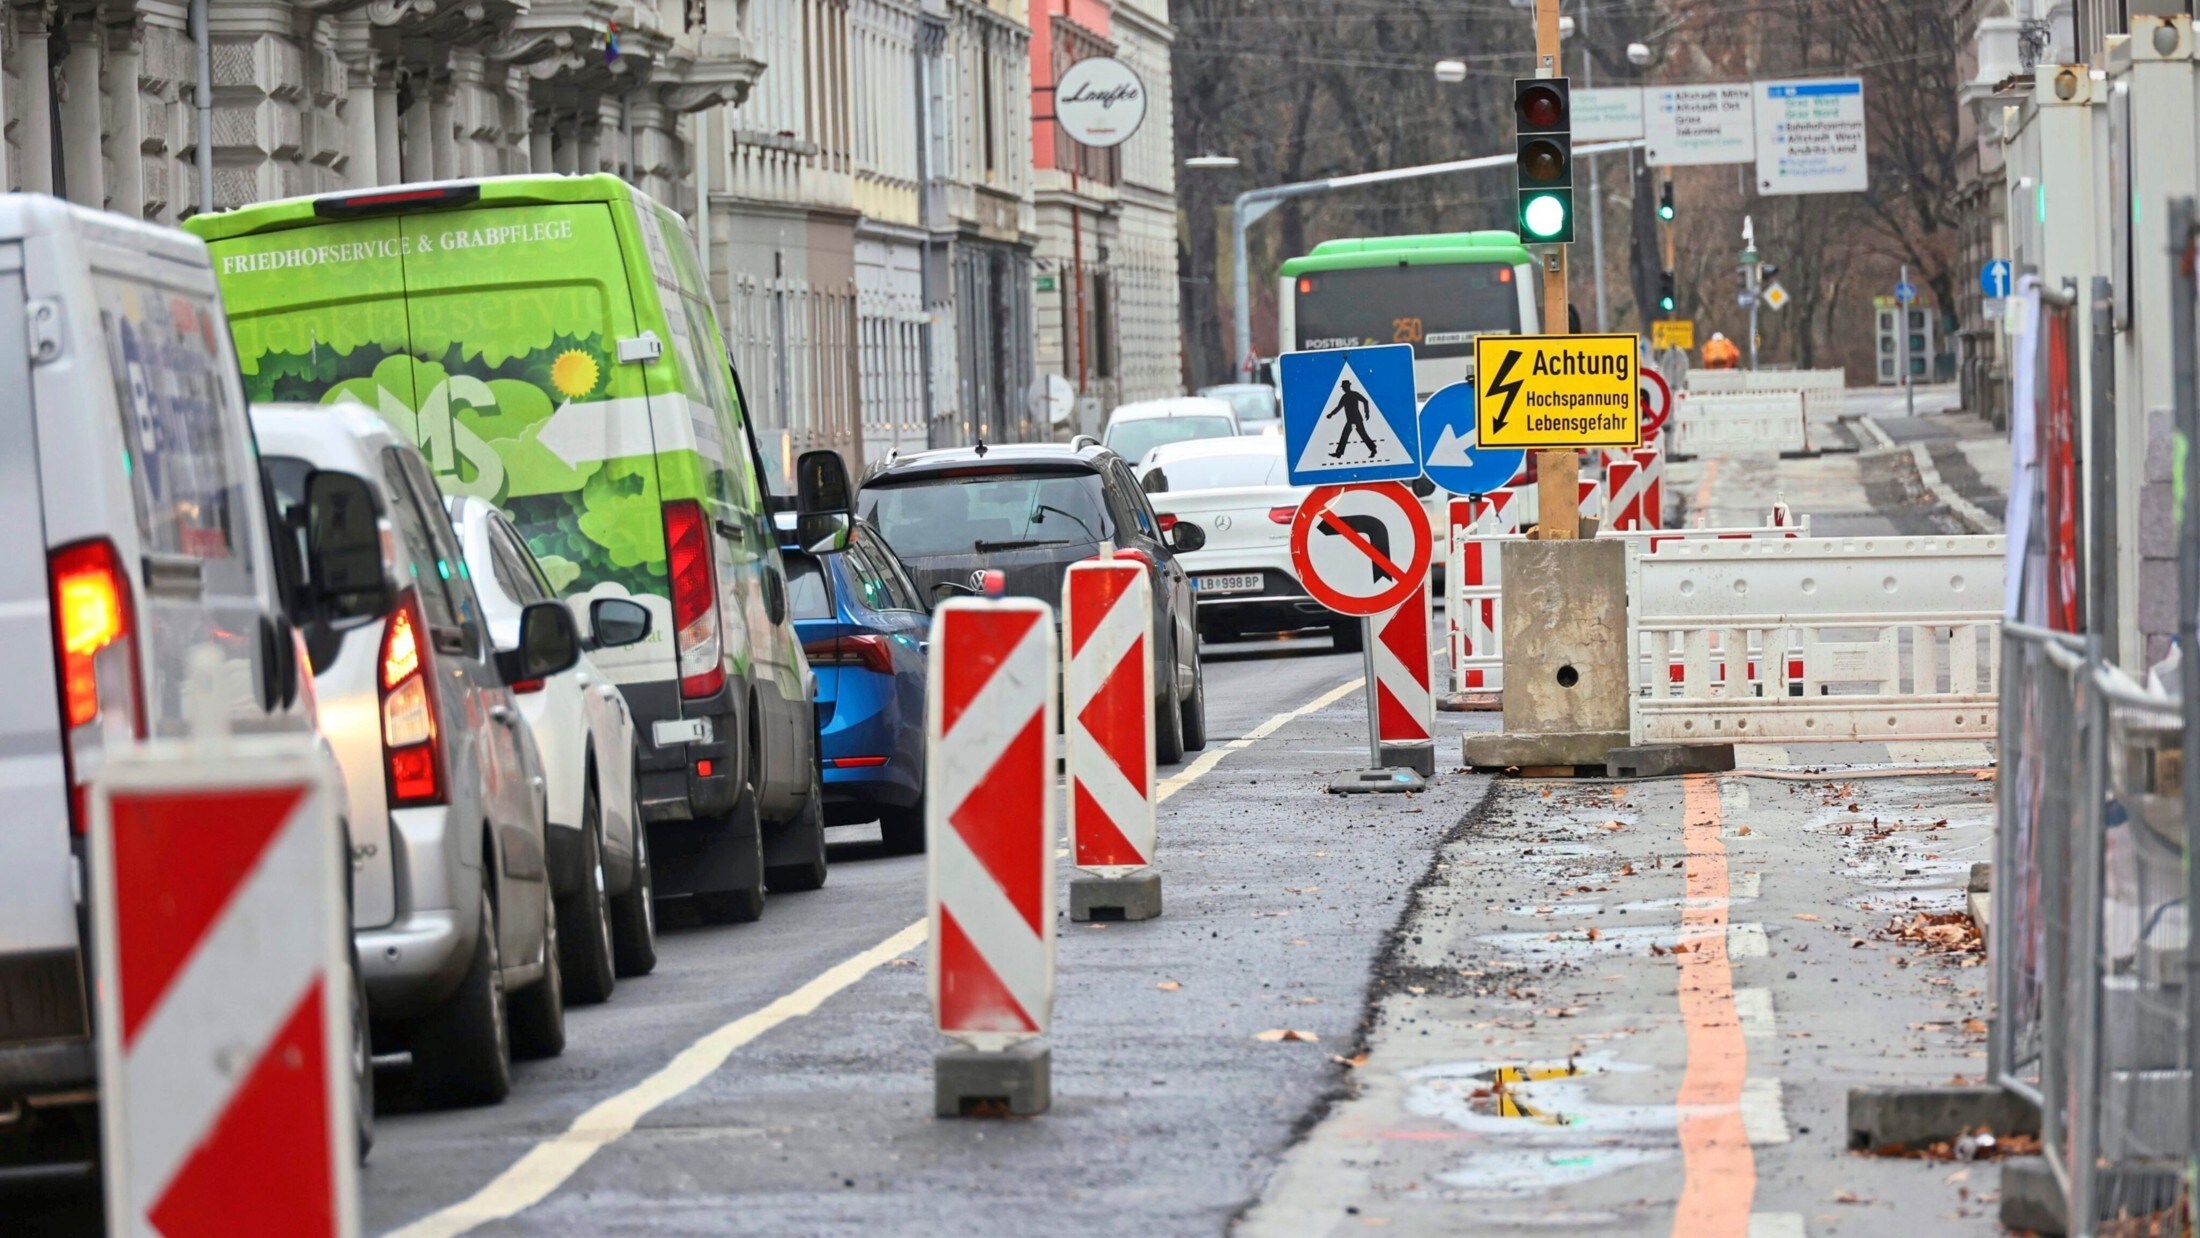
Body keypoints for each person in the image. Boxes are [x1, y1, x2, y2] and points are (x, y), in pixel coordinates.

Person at [1324, 378, 1380, 459]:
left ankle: (1373, 450)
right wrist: (1331, 414)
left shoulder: (1353, 394)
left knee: (1362, 434)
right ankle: (1339, 453)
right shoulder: (1345, 396)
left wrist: (1367, 412)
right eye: (1343, 387)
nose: (1343, 389)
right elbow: (1339, 407)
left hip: (1356, 419)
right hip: (1351, 420)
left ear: (1347, 386)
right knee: (1346, 435)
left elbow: (1365, 401)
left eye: (1344, 387)